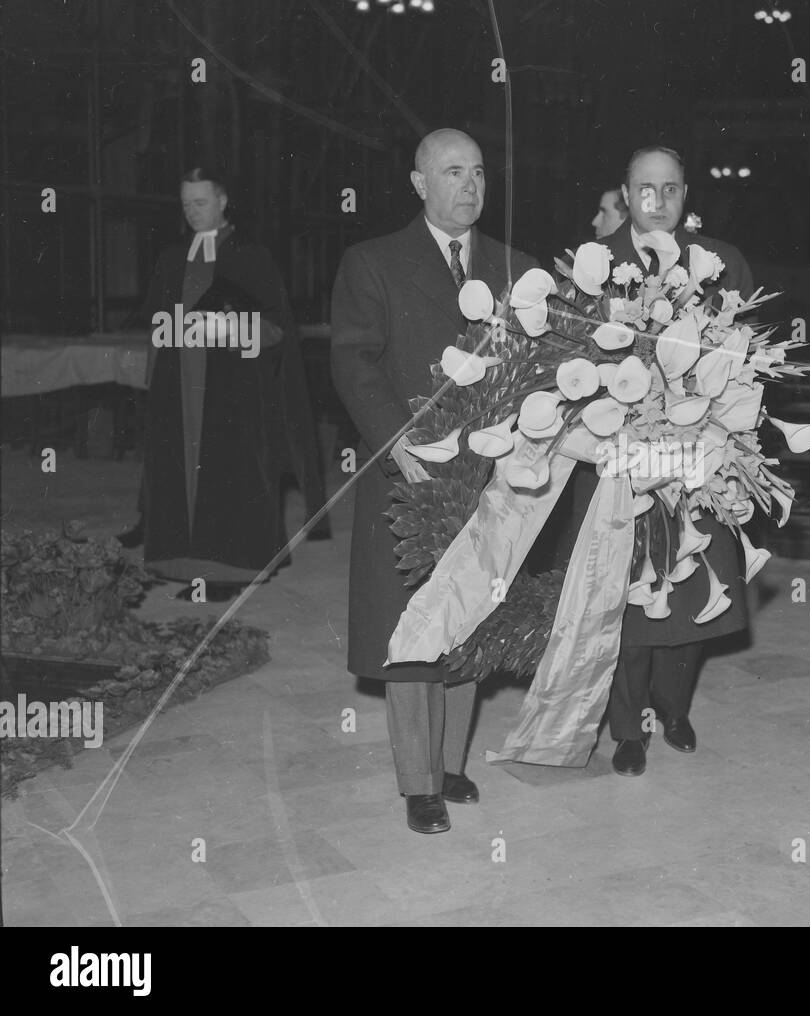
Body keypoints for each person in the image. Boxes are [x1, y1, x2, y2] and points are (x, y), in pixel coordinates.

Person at [330, 129, 537, 835]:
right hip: (407, 475)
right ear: (419, 183)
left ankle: (451, 764)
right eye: (453, 172)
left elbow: (539, 372)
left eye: (479, 172)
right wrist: (398, 442)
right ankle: (420, 784)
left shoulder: (520, 271)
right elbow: (354, 363)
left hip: (493, 481)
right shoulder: (373, 263)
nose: (470, 185)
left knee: (472, 618)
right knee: (412, 629)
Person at [599, 145, 755, 777]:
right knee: (629, 602)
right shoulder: (597, 265)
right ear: (626, 192)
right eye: (644, 188)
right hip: (623, 457)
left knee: (692, 591)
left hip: (699, 456)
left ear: (686, 195)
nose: (657, 201)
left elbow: (746, 363)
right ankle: (627, 725)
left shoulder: (720, 263)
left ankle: (673, 706)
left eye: (669, 189)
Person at [139, 166, 323, 601]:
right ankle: (180, 564)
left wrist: (232, 328)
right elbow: (155, 319)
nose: (192, 212)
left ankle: (227, 571)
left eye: (200, 202)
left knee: (230, 478)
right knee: (178, 477)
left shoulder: (251, 254)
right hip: (179, 389)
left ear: (222, 201)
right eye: (185, 204)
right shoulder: (171, 256)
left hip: (233, 391)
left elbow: (278, 327)